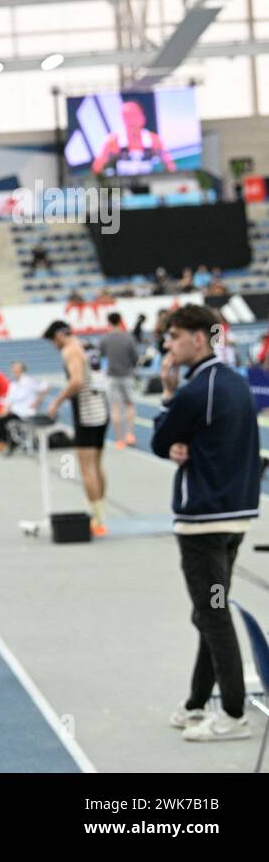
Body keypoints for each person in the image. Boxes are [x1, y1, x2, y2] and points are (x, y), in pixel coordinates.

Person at [151, 305, 261, 743]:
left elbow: (161, 439)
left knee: (213, 614)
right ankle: (198, 702)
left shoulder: (197, 391)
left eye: (174, 336)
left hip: (203, 522)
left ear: (200, 338)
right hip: (235, 519)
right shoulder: (235, 384)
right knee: (208, 610)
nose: (168, 344)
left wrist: (166, 394)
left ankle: (232, 713)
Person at [44, 320, 111, 536]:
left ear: (59, 336)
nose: (54, 347)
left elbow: (76, 381)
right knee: (98, 464)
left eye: (53, 342)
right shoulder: (87, 345)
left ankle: (97, 519)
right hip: (101, 405)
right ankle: (101, 514)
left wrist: (57, 402)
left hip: (86, 410)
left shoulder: (70, 350)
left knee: (86, 467)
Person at [91, 98, 177, 176]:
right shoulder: (113, 141)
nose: (131, 121)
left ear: (142, 118)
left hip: (147, 186)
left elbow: (170, 165)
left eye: (133, 116)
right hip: (122, 188)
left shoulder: (153, 139)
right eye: (126, 117)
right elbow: (97, 168)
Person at [99, 312, 139, 450]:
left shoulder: (105, 338)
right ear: (120, 320)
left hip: (112, 376)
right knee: (129, 405)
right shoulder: (128, 337)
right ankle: (130, 435)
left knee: (115, 407)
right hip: (126, 375)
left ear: (109, 322)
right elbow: (135, 357)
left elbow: (101, 354)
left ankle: (120, 440)